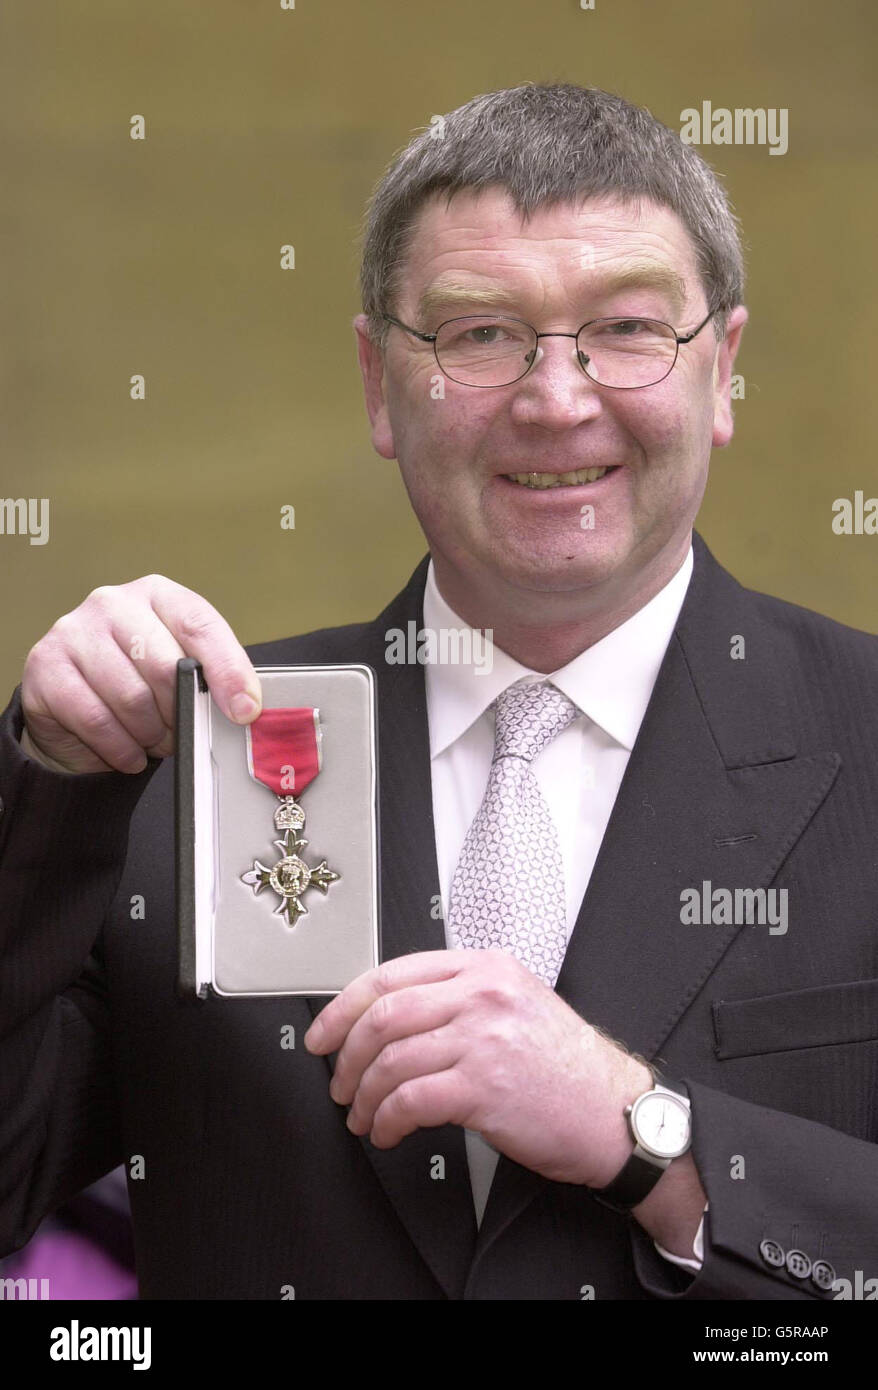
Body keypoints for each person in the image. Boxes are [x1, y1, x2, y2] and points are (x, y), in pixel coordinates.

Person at [1, 82, 876, 1301]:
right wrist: (44, 786)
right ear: (377, 382)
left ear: (721, 369)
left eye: (625, 328)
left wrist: (650, 1135)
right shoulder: (186, 759)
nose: (555, 397)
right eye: (477, 333)